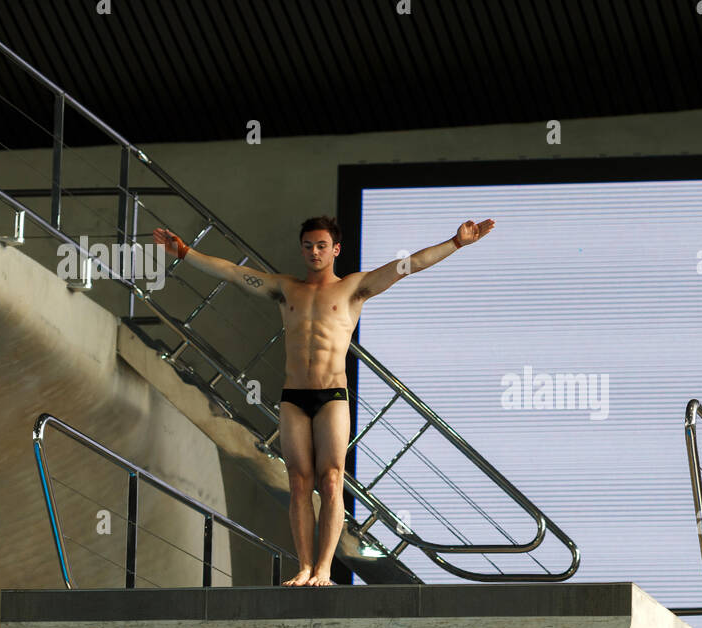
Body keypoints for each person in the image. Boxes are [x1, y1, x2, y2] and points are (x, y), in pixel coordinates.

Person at [153, 215, 495, 585]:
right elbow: (234, 273)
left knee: (331, 480)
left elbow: (408, 265)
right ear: (302, 249)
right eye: (308, 246)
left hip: (332, 395)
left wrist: (456, 243)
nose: (314, 252)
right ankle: (304, 567)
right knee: (299, 482)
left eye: (321, 246)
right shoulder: (286, 289)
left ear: (335, 250)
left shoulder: (355, 287)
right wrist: (185, 252)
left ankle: (325, 569)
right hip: (294, 396)